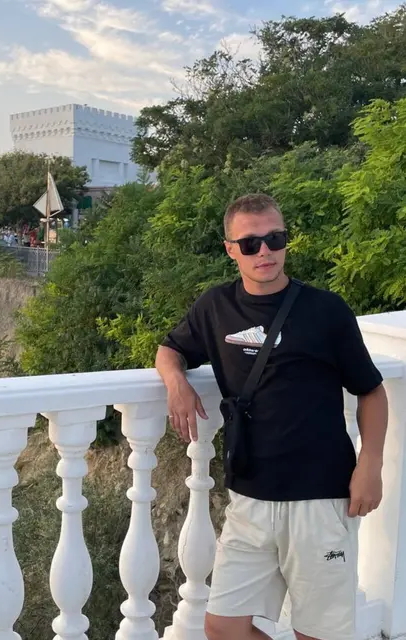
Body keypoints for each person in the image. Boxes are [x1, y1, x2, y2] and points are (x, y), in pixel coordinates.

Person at [155, 193, 388, 640]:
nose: (264, 251)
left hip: (320, 498)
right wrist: (175, 381)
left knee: (317, 633)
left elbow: (371, 391)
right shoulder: (215, 307)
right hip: (250, 497)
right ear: (230, 249)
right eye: (250, 243)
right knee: (222, 627)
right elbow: (170, 349)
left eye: (275, 239)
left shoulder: (326, 310)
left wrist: (370, 464)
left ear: (285, 241)